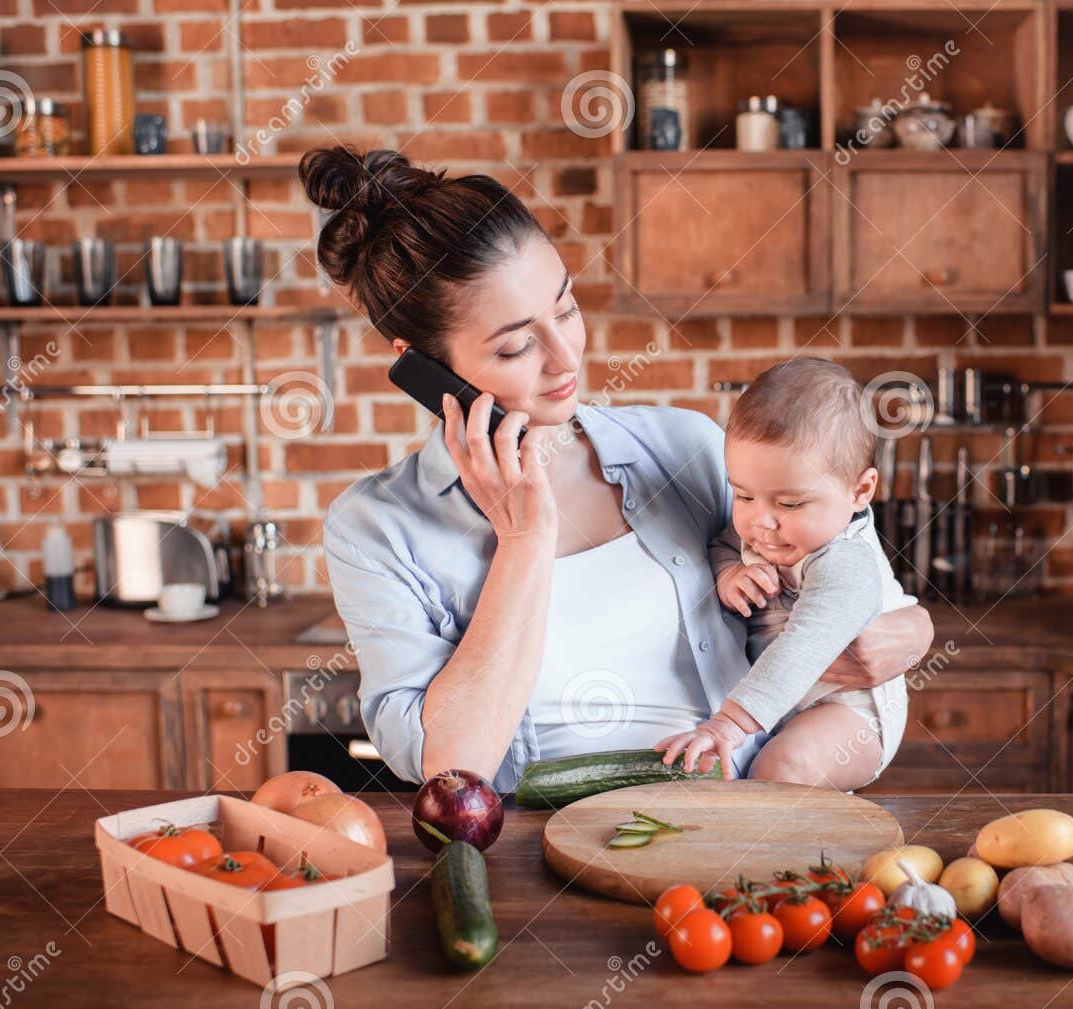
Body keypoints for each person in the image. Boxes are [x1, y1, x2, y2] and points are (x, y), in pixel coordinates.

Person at [302, 145, 934, 789]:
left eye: (567, 308)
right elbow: (450, 767)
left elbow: (844, 565)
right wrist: (524, 539)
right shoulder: (375, 527)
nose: (563, 356)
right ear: (422, 366)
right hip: (535, 848)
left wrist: (914, 630)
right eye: (517, 345)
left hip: (729, 823)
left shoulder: (684, 446)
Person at [654, 359, 912, 790]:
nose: (762, 522)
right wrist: (729, 572)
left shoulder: (847, 563)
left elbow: (802, 648)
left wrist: (726, 727)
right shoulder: (766, 532)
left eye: (790, 504)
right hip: (773, 704)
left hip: (847, 712)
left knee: (782, 768)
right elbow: (723, 544)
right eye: (744, 496)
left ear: (860, 491)